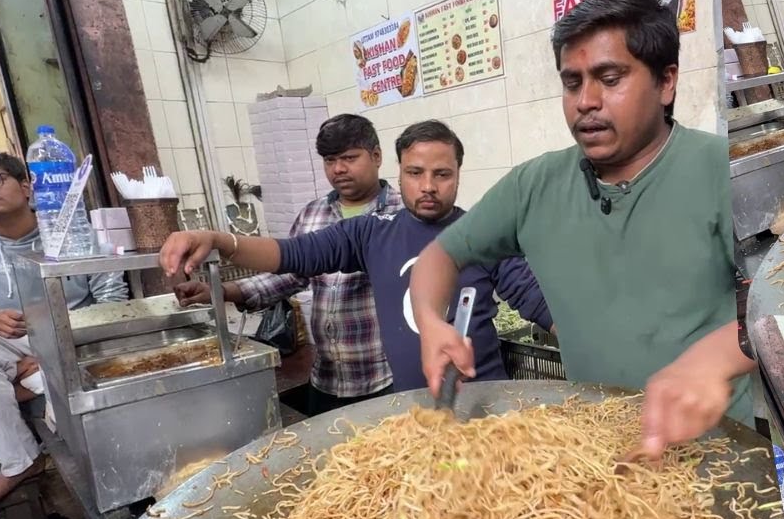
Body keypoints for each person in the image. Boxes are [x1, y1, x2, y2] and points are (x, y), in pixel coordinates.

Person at [406, 0, 757, 463]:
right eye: (572, 84)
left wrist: (717, 359)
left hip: (718, 455)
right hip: (599, 456)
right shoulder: (533, 186)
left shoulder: (723, 169)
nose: (586, 101)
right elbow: (440, 256)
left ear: (666, 82)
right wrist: (431, 322)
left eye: (609, 79)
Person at [162, 120, 553, 391]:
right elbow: (294, 254)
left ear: (459, 174)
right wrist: (216, 238)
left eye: (442, 174)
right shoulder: (371, 232)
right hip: (410, 406)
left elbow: (539, 302)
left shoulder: (484, 233)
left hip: (486, 403)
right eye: (416, 173)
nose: (428, 186)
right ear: (399, 172)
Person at [0, 150, 128, 517]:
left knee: (69, 402)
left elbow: (112, 300)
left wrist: (51, 352)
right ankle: (20, 461)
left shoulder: (73, 230)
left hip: (75, 334)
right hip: (10, 338)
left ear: (26, 186)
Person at [196, 114, 402, 416]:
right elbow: (289, 277)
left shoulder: (401, 216)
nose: (338, 169)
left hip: (386, 379)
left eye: (349, 158)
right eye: (330, 161)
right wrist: (223, 290)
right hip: (327, 380)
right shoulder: (313, 214)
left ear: (376, 156)